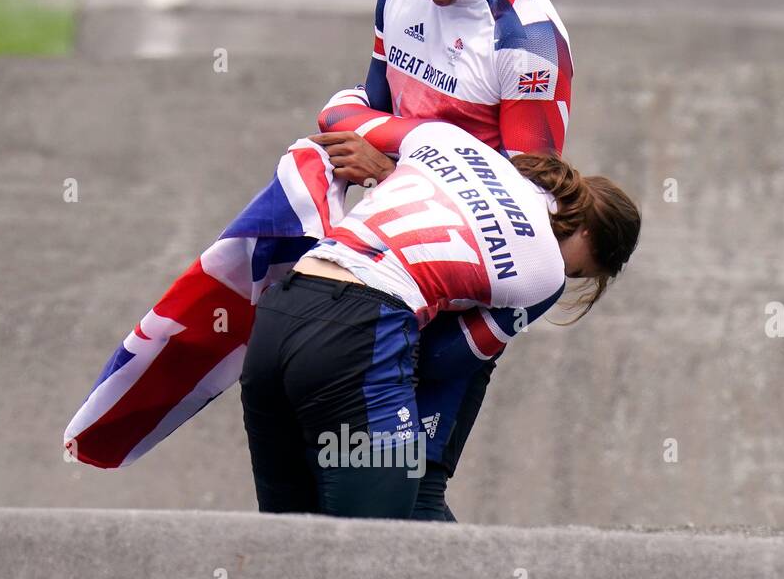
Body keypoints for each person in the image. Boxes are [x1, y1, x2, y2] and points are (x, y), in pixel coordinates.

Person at [307, 0, 575, 520]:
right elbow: (359, 111)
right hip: (381, 272)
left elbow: (528, 201)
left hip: (457, 290)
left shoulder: (526, 42)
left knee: (412, 491)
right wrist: (365, 137)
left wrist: (387, 159)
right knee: (349, 484)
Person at [240, 121, 639, 520]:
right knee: (387, 542)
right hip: (360, 332)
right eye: (581, 272)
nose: (569, 276)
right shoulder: (547, 272)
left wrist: (383, 168)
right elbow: (441, 360)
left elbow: (343, 114)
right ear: (586, 233)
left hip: (282, 312)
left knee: (288, 551)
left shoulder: (449, 139)